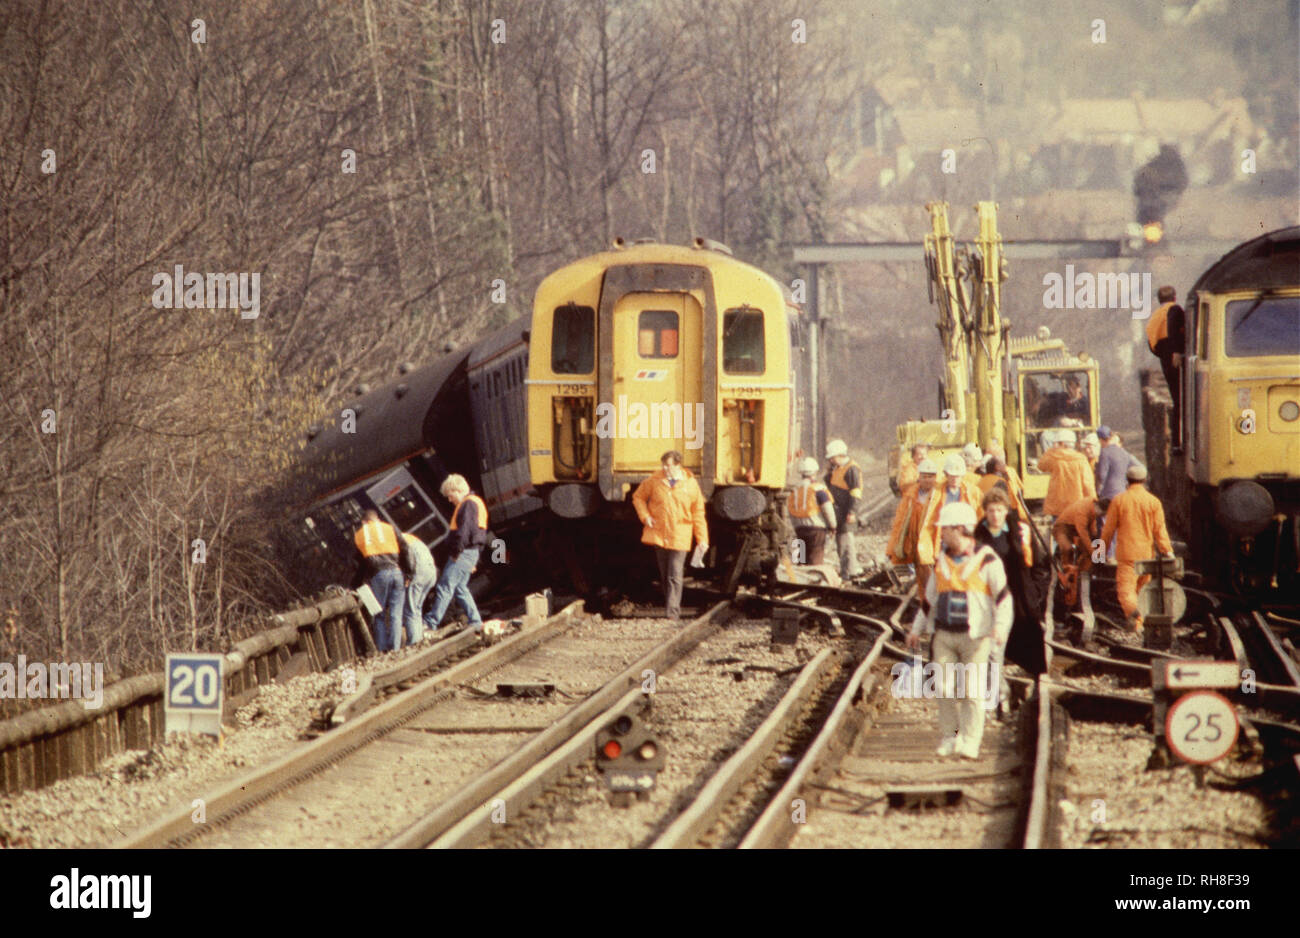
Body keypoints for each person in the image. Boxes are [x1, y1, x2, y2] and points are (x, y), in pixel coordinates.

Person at [907, 502, 1013, 760]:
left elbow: (1003, 598)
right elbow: (929, 600)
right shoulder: (941, 560)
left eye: (944, 529)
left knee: (972, 690)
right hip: (943, 634)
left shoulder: (987, 559)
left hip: (975, 636)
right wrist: (915, 629)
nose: (940, 533)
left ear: (959, 529)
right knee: (943, 687)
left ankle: (971, 740)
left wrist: (999, 627)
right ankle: (949, 736)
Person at [975, 489, 1044, 700]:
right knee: (991, 638)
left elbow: (1039, 563)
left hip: (1017, 591)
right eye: (991, 510)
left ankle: (1036, 679)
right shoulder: (978, 535)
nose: (995, 515)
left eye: (999, 510)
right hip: (989, 593)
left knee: (1025, 633)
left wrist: (1036, 589)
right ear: (985, 512)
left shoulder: (1020, 531)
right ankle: (996, 685)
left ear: (1006, 511)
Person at [633, 450, 708, 619]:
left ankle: (672, 612)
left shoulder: (690, 484)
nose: (665, 468)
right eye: (663, 465)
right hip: (659, 535)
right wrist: (645, 517)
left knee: (674, 573)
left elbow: (698, 513)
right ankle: (670, 606)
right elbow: (638, 497)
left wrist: (702, 539)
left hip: (680, 535)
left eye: (669, 465)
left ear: (678, 465)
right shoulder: (654, 481)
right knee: (665, 573)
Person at [1099, 464, 1174, 633]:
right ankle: (1140, 622)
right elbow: (1160, 530)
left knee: (1126, 591)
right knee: (1142, 590)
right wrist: (1168, 551)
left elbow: (1107, 530)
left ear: (1128, 480)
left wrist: (1098, 555)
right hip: (1147, 556)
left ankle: (1135, 618)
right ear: (1145, 480)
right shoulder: (1154, 501)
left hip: (1127, 555)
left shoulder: (1119, 500)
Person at [424, 474, 489, 635]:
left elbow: (464, 531)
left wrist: (456, 552)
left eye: (450, 495)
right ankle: (476, 622)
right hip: (470, 552)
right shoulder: (475, 503)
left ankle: (430, 623)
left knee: (445, 586)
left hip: (463, 552)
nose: (449, 499)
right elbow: (479, 533)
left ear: (457, 490)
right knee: (460, 588)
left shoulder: (467, 505)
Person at [916, 454, 985, 596]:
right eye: (952, 476)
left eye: (958, 476)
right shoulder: (936, 494)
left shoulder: (973, 492)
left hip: (967, 543)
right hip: (943, 543)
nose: (955, 479)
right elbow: (927, 523)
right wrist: (925, 551)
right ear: (946, 475)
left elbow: (981, 518)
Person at [354, 509, 409, 652]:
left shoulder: (360, 534)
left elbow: (360, 563)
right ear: (377, 519)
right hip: (397, 572)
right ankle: (395, 649)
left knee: (378, 613)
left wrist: (356, 584)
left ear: (364, 522)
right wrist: (408, 572)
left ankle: (382, 648)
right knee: (396, 613)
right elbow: (405, 548)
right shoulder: (389, 528)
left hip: (379, 575)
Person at [1146, 285, 1186, 446]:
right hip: (1175, 356)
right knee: (1183, 398)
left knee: (1176, 399)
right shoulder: (1174, 309)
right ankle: (1179, 440)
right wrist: (1176, 351)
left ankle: (1176, 441)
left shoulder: (1155, 316)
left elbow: (1151, 344)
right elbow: (1173, 328)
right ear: (1174, 297)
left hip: (1164, 358)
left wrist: (1164, 355)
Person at [887, 458, 938, 576]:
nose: (927, 480)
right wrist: (891, 549)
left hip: (932, 542)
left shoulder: (940, 495)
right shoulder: (910, 496)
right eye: (924, 477)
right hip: (913, 541)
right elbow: (899, 523)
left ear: (935, 477)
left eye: (930, 476)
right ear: (919, 477)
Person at [824, 439, 865, 579]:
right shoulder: (837, 469)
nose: (830, 460)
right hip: (838, 512)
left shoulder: (851, 468)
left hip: (846, 511)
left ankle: (850, 572)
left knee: (846, 543)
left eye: (832, 458)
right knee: (841, 543)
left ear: (841, 455)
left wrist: (852, 511)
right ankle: (846, 572)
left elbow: (856, 492)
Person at [1036, 429, 1095, 522]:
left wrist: (1051, 451)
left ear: (1062, 443)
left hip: (1058, 506)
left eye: (1055, 443)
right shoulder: (1081, 459)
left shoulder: (1054, 458)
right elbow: (1088, 484)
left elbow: (1041, 466)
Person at [787, 456, 836, 565]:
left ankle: (795, 580)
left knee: (800, 560)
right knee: (815, 561)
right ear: (815, 472)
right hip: (816, 531)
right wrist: (833, 526)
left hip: (799, 530)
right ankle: (812, 580)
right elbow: (827, 510)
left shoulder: (794, 491)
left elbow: (790, 511)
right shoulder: (819, 489)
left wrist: (796, 527)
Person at [399, 531, 437, 646]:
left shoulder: (400, 541)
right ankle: (420, 639)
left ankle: (414, 643)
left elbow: (407, 557)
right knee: (417, 608)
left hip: (419, 573)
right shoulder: (410, 537)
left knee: (410, 610)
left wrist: (408, 575)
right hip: (431, 572)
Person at [1094, 425, 1137, 500]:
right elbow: (1139, 467)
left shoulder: (1104, 452)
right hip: (1123, 492)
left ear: (1100, 439)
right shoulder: (1124, 452)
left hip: (1109, 495)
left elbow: (1102, 475)